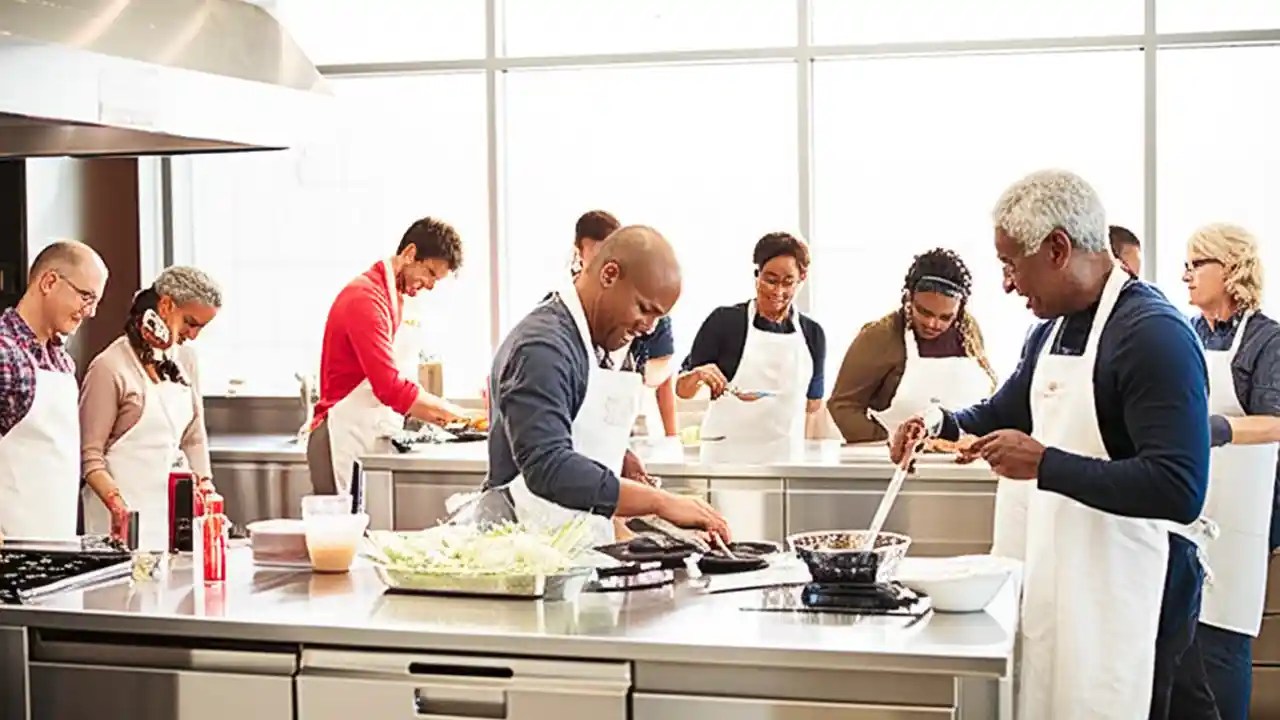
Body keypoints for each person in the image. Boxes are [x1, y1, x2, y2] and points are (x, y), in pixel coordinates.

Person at [892, 169, 1215, 720]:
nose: (1008, 283)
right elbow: (1006, 410)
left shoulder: (1153, 334)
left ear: (1059, 249)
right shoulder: (1052, 327)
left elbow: (1178, 487)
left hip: (1127, 591)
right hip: (1058, 577)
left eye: (1011, 264)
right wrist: (939, 422)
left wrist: (1044, 465)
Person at [485, 225, 730, 547]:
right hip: (522, 553)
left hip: (574, 548)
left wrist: (618, 455)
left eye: (658, 317)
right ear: (609, 274)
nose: (648, 328)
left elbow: (571, 421)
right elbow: (548, 466)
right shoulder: (542, 347)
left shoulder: (594, 341)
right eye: (644, 309)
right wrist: (661, 502)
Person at [1170, 223, 1280, 720]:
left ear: (1231, 269)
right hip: (1188, 500)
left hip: (1241, 511)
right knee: (1180, 639)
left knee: (1222, 637)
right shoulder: (1187, 333)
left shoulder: (1267, 341)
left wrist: (1217, 428)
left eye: (1197, 264)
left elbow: (1276, 423)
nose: (1186, 275)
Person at [307, 217, 471, 496]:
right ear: (409, 254)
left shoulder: (395, 297)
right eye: (430, 273)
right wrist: (451, 413)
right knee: (339, 536)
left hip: (368, 434)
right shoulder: (366, 299)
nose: (430, 285)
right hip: (341, 435)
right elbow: (388, 385)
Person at [79, 266, 221, 548]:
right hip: (118, 524)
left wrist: (205, 484)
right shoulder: (109, 367)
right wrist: (118, 506)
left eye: (201, 328)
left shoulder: (186, 360)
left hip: (169, 520)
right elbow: (89, 456)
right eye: (190, 323)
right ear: (166, 305)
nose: (193, 335)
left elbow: (193, 435)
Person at [826, 248, 997, 444]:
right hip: (899, 463)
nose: (933, 324)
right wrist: (884, 443)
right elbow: (843, 405)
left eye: (945, 317)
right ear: (908, 298)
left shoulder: (969, 331)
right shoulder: (880, 336)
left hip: (964, 460)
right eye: (924, 312)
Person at [0, 241, 108, 539]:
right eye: (86, 297)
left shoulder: (62, 362)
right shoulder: (4, 352)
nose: (91, 312)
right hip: (11, 553)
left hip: (58, 542)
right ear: (49, 282)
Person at [676, 232, 827, 444]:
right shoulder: (724, 322)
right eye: (770, 280)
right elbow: (683, 390)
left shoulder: (813, 335)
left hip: (787, 456)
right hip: (725, 454)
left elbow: (813, 404)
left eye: (788, 282)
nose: (778, 291)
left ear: (802, 278)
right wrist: (698, 374)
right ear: (757, 273)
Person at [569, 211, 678, 439]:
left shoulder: (649, 312)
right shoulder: (551, 341)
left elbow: (663, 376)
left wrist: (671, 436)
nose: (648, 326)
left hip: (632, 431)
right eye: (593, 258)